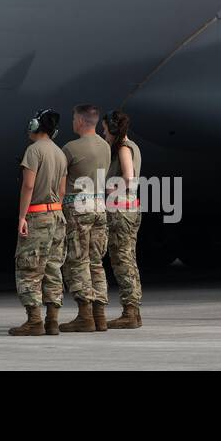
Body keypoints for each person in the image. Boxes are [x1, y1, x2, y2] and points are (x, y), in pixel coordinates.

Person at [10, 108, 67, 337]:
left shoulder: (33, 151)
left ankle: (34, 320)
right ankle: (52, 320)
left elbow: (29, 186)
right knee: (54, 267)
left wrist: (22, 216)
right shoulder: (60, 153)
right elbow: (62, 190)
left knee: (29, 268)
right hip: (56, 214)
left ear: (35, 126)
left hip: (37, 214)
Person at [59, 103, 111, 333]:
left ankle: (85, 315)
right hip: (100, 205)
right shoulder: (106, 146)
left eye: (73, 119)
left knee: (77, 261)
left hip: (77, 206)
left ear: (80, 121)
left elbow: (60, 183)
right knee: (96, 261)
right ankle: (100, 315)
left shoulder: (70, 148)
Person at [102, 110, 143, 329]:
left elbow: (129, 177)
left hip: (120, 210)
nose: (104, 134)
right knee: (128, 258)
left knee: (122, 261)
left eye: (106, 130)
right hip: (129, 208)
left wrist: (109, 187)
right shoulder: (133, 146)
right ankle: (133, 310)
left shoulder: (124, 148)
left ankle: (130, 311)